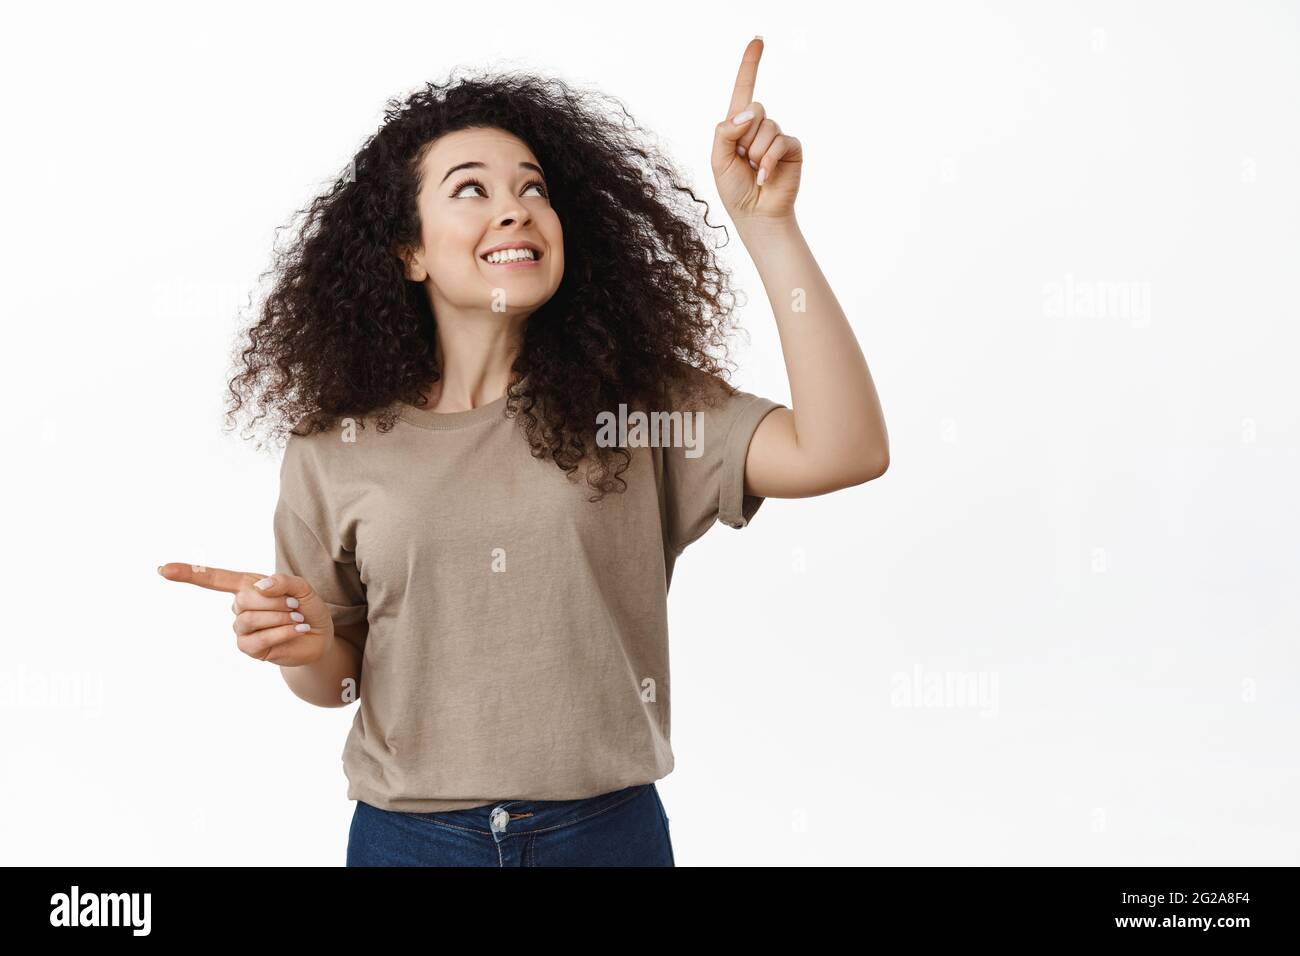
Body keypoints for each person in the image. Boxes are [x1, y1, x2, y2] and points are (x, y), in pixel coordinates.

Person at [160, 37, 889, 866]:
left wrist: (769, 227)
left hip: (606, 836)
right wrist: (304, 644)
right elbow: (338, 682)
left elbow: (847, 449)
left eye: (532, 189)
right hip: (408, 841)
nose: (515, 209)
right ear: (410, 251)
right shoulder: (335, 444)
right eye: (470, 190)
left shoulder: (636, 405)